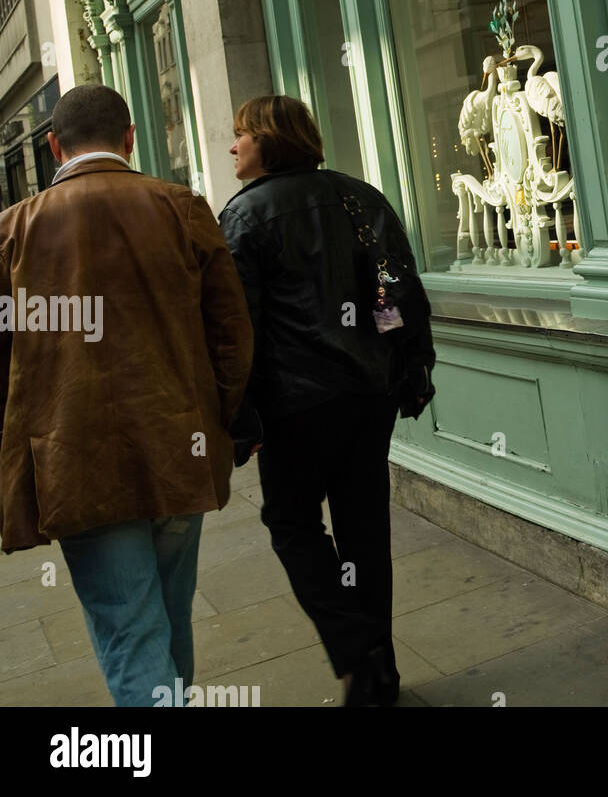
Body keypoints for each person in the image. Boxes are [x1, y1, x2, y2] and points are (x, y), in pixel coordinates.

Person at [0, 83, 254, 707]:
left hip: (75, 463)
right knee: (167, 617)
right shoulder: (181, 207)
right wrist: (215, 420)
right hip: (179, 448)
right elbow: (232, 336)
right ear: (131, 138)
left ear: (53, 146)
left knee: (131, 632)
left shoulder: (14, 229)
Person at [218, 95, 434, 707]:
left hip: (296, 407)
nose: (233, 145)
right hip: (369, 394)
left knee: (291, 524)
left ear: (269, 140)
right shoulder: (358, 197)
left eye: (241, 134)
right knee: (364, 529)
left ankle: (357, 650)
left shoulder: (245, 214)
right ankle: (378, 673)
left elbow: (237, 327)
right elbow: (394, 294)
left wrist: (240, 413)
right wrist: (408, 363)